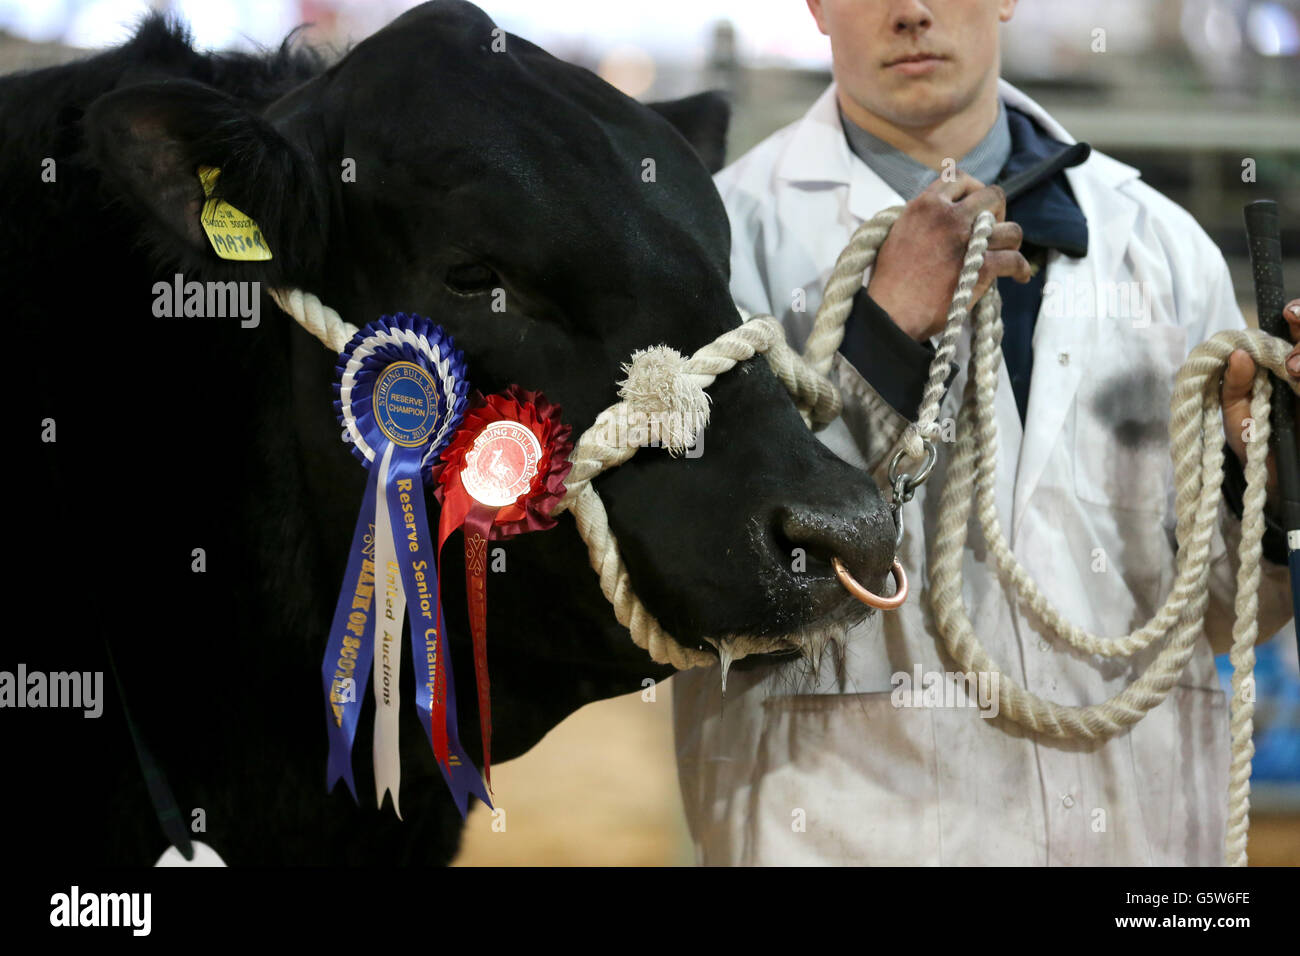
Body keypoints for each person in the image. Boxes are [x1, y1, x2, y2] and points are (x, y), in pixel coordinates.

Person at [673, 0, 1300, 865]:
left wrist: (1258, 484)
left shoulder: (1160, 246)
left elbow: (1234, 611)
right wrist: (880, 336)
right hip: (842, 831)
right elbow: (702, 591)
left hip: (1145, 842)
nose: (912, 12)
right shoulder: (717, 241)